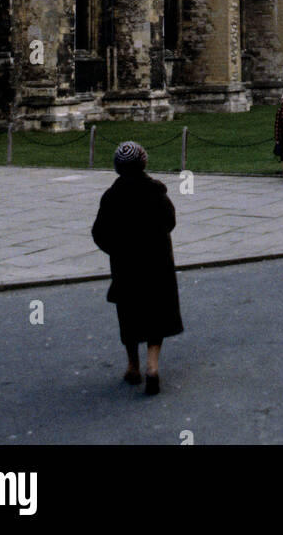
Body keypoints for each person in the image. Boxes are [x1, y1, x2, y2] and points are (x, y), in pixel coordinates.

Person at [91, 141, 184, 395]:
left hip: (126, 265)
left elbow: (99, 232)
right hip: (156, 263)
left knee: (129, 314)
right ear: (143, 163)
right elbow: (169, 221)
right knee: (156, 313)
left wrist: (117, 248)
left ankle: (133, 366)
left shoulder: (112, 196)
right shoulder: (155, 191)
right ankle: (152, 367)